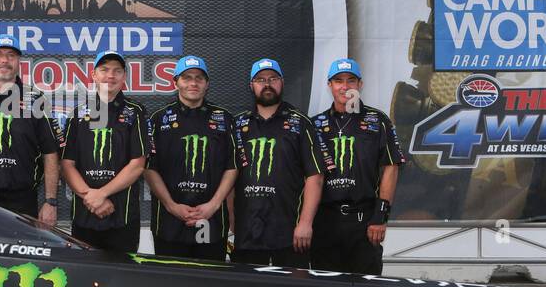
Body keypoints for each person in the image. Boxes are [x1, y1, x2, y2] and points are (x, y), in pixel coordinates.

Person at [311, 58, 407, 274]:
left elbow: (391, 167)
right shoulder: (314, 125)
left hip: (364, 222)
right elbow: (308, 176)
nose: (345, 87)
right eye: (338, 81)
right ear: (329, 85)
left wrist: (380, 218)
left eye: (351, 80)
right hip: (325, 221)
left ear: (360, 84)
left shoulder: (378, 120)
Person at [229, 58, 327, 268]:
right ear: (251, 85)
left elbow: (315, 176)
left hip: (290, 233)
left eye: (273, 78)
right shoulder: (236, 125)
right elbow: (229, 177)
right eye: (260, 79)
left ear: (282, 82)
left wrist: (305, 224)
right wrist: (231, 220)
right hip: (247, 232)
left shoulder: (301, 123)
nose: (267, 83)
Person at [144, 55, 236, 260]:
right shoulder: (158, 119)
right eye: (186, 77)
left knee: (209, 284)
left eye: (199, 78)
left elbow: (233, 166)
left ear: (207, 84)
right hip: (169, 221)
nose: (193, 83)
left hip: (210, 219)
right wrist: (171, 205)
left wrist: (213, 205)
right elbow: (149, 167)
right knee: (170, 285)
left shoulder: (225, 118)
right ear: (175, 82)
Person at [0, 34, 61, 223]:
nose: (4, 60)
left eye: (11, 55)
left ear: (19, 62)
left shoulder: (36, 100)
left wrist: (51, 201)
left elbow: (50, 153)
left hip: (23, 202)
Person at [60, 51, 147, 252]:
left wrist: (102, 194)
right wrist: (90, 196)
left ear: (124, 77)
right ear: (94, 75)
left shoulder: (136, 112)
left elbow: (138, 164)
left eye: (117, 71)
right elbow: (67, 164)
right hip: (85, 212)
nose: (111, 75)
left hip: (122, 216)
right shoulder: (77, 114)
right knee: (83, 277)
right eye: (104, 69)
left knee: (123, 278)